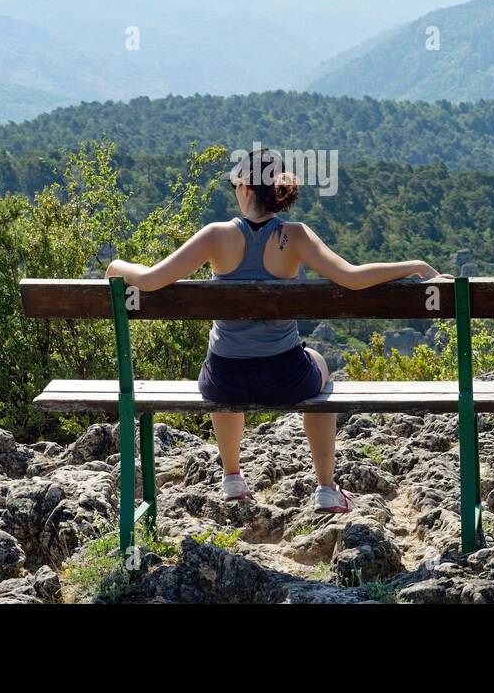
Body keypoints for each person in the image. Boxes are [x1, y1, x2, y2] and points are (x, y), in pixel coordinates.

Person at [106, 147, 439, 514]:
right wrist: (415, 266)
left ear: (247, 187)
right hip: (286, 378)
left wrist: (116, 266)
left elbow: (151, 280)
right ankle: (326, 487)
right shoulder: (294, 237)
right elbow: (352, 278)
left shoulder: (215, 236)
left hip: (225, 382)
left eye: (234, 184)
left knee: (219, 357)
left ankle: (232, 476)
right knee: (318, 364)